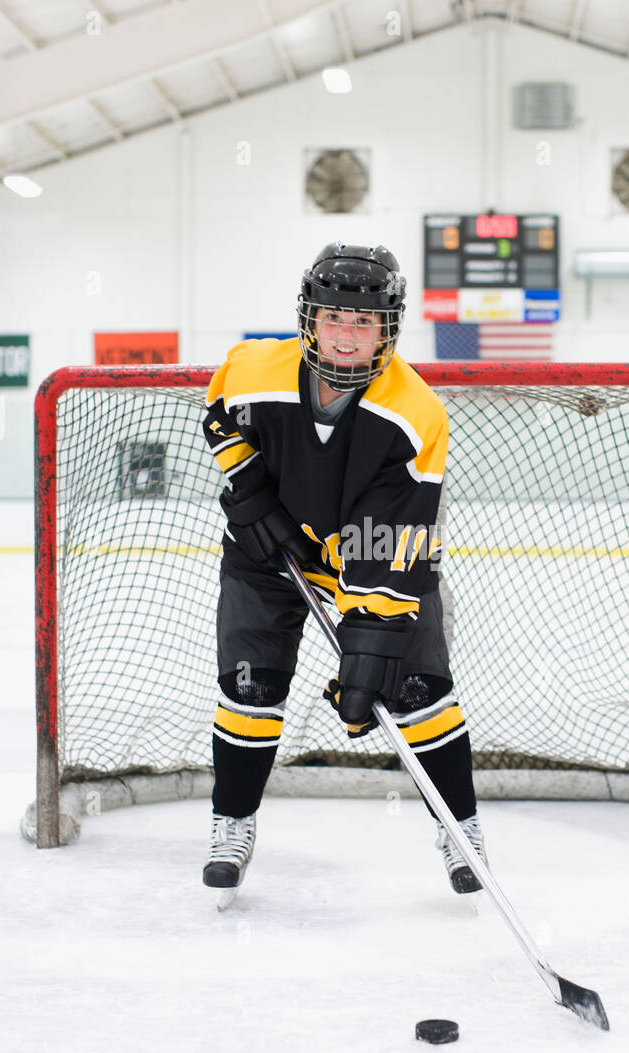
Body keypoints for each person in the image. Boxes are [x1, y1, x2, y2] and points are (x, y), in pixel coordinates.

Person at [200, 242, 487, 899]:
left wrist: (371, 643)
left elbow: (392, 535)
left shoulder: (415, 413)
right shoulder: (253, 370)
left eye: (364, 322)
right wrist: (251, 492)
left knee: (417, 690)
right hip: (265, 557)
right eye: (333, 318)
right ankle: (232, 822)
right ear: (309, 318)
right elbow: (222, 418)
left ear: (389, 329)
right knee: (250, 685)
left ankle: (462, 829)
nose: (347, 336)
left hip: (375, 557)